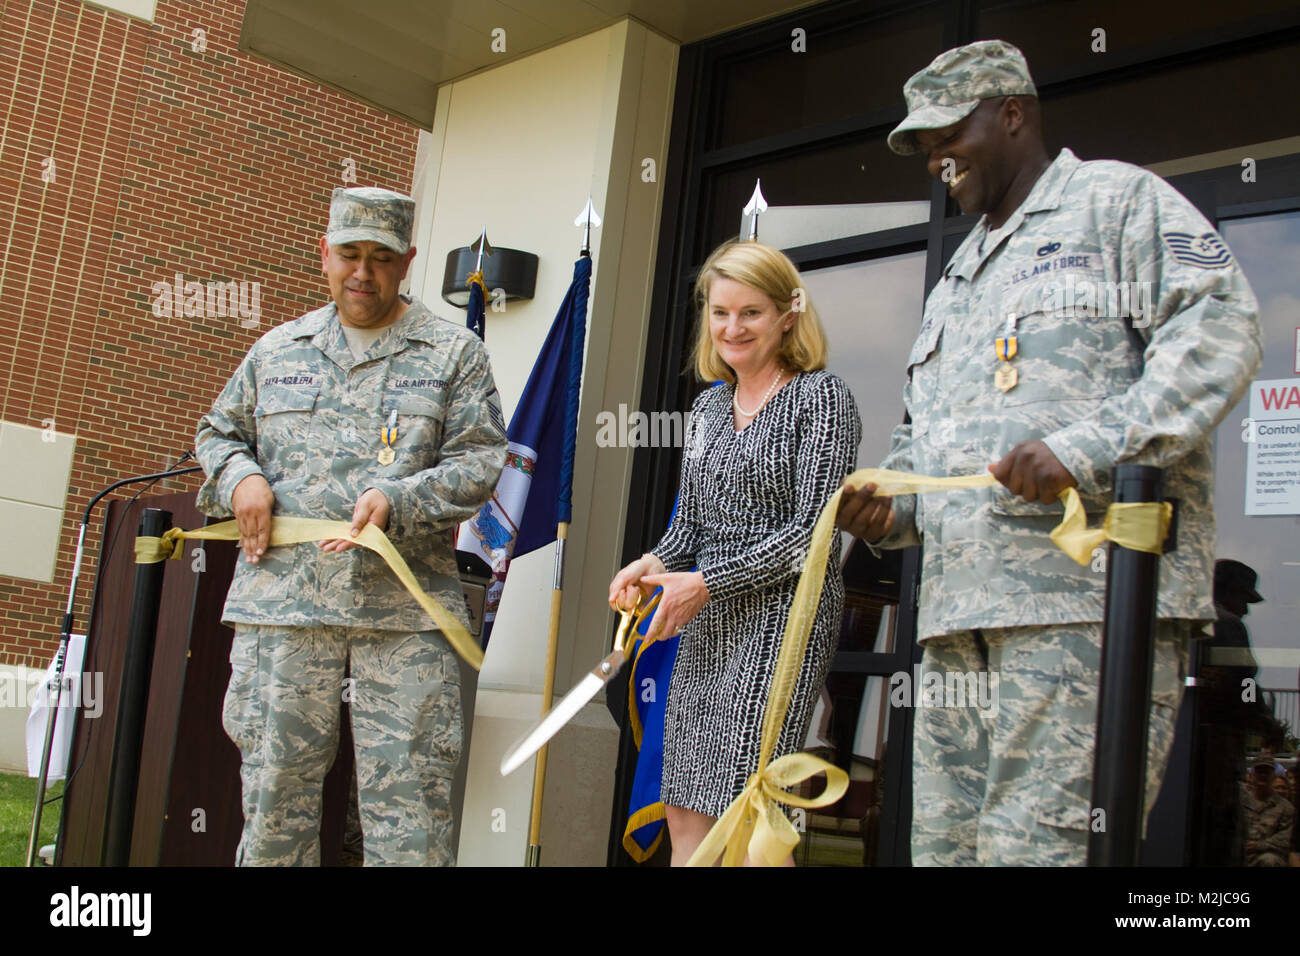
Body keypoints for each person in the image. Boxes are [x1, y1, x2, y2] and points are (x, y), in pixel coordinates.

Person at [836, 40, 1262, 865]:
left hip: (1080, 615)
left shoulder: (1116, 204)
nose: (935, 160)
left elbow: (1221, 328)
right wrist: (890, 515)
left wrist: (1086, 448)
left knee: (1045, 857)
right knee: (947, 856)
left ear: (1013, 113)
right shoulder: (959, 279)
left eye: (947, 135)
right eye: (924, 148)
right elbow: (923, 445)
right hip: (960, 627)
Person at [195, 186, 507, 866]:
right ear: (324, 255)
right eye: (349, 254)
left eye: (381, 258)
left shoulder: (453, 355)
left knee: (410, 819)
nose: (363, 272)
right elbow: (217, 433)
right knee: (275, 804)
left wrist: (401, 498)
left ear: (407, 262)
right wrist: (241, 477)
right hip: (284, 608)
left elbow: (482, 461)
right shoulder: (277, 350)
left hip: (401, 617)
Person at [608, 240, 860, 865]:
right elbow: (689, 527)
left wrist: (706, 582)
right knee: (684, 801)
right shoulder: (708, 406)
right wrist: (652, 565)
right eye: (720, 312)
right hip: (702, 619)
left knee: (746, 809)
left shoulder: (821, 399)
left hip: (782, 622)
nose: (732, 327)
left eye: (750, 312)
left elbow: (812, 538)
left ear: (788, 314)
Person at [1241, 760, 1294, 866]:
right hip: (1239, 852)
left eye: (1267, 772)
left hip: (1266, 854)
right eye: (1259, 772)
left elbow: (1285, 839)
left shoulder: (1285, 807)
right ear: (1252, 776)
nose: (1263, 775)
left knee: (1269, 861)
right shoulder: (1240, 801)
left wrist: (1258, 845)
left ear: (1273, 776)